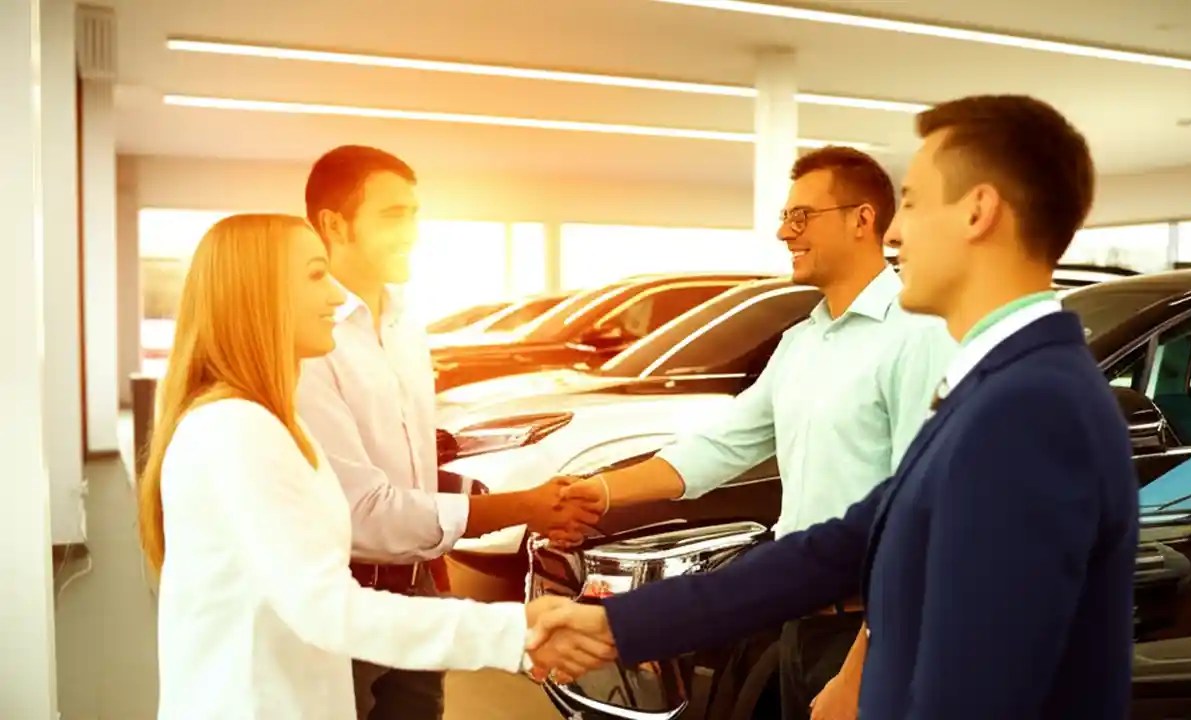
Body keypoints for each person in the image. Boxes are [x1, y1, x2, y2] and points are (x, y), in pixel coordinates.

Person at [527, 94, 1140, 720]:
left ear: (979, 211)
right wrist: (619, 624)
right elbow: (841, 546)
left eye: (915, 202)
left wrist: (862, 674)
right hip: (819, 633)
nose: (896, 231)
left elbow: (976, 679)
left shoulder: (1029, 409)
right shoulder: (994, 387)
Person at [136, 214, 613, 720]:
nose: (337, 299)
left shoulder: (264, 421)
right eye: (317, 275)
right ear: (258, 294)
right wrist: (513, 632)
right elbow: (326, 607)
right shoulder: (240, 429)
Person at [556, 145, 954, 719]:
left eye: (801, 217)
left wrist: (863, 669)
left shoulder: (919, 335)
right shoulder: (805, 341)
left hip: (872, 635)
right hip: (801, 627)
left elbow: (923, 518)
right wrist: (602, 491)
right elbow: (722, 446)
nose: (784, 233)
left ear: (864, 219)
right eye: (784, 218)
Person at [297, 145, 597, 720]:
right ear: (334, 224)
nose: (411, 231)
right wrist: (520, 507)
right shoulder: (312, 340)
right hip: (344, 595)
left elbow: (409, 462)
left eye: (413, 213)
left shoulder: (407, 320)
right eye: (392, 215)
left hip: (417, 586)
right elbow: (364, 510)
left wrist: (443, 553)